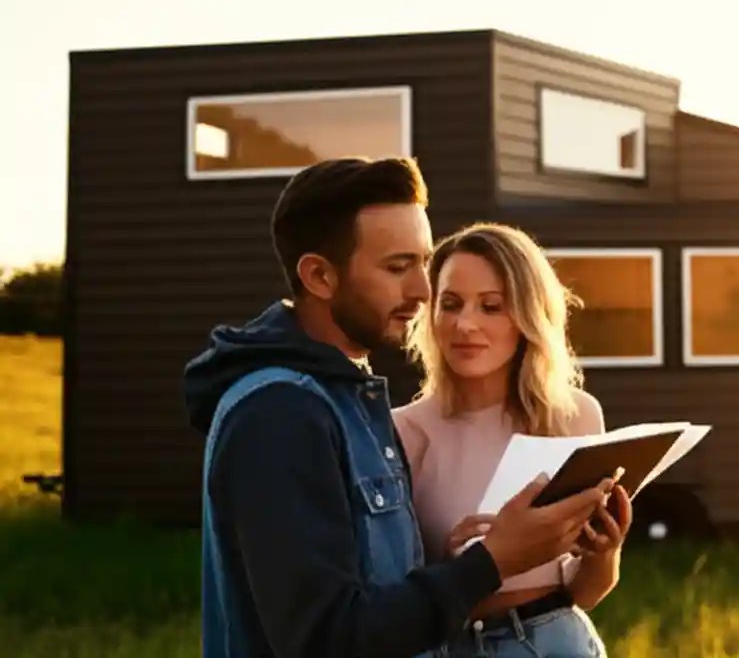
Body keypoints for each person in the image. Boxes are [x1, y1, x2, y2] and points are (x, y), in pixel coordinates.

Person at [183, 157, 615, 658]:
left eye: (423, 263)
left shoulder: (348, 399)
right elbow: (326, 639)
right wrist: (492, 560)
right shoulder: (279, 413)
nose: (424, 292)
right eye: (397, 267)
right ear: (320, 276)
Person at [393, 222, 633, 657]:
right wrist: (455, 565)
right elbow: (388, 596)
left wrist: (604, 550)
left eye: (491, 306)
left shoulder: (575, 416)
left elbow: (585, 594)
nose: (465, 324)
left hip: (555, 644)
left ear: (527, 315)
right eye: (450, 304)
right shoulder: (402, 432)